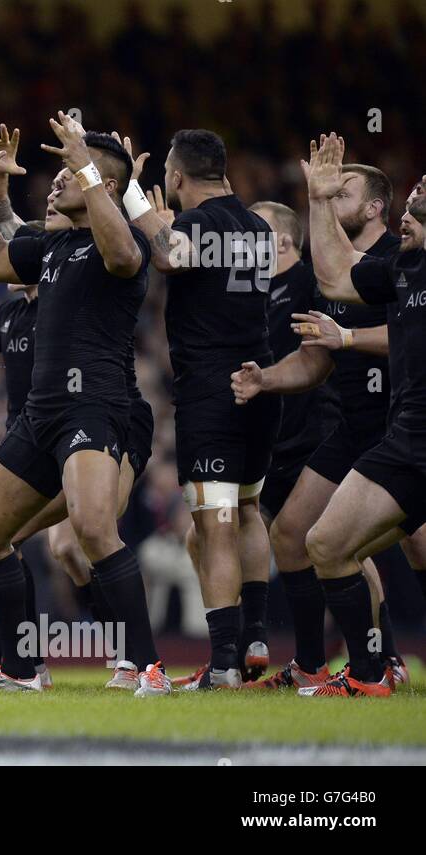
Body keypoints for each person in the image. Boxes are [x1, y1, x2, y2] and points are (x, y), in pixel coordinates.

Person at [0, 114, 166, 696]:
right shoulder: (54, 244)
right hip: (40, 414)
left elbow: (122, 256)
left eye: (67, 172)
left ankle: (147, 668)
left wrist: (89, 170)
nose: (55, 181)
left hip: (94, 405)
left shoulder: (124, 240)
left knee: (93, 531)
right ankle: (22, 673)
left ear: (104, 182)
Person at [128, 130, 281, 689]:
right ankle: (256, 635)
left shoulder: (194, 226)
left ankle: (222, 666)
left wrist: (136, 204)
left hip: (212, 392)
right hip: (260, 383)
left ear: (175, 177)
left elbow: (169, 256)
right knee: (247, 511)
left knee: (212, 525)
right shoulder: (260, 228)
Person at [294, 133, 425, 698]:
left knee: (328, 543)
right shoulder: (406, 267)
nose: (415, 194)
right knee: (325, 543)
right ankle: (371, 674)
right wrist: (320, 201)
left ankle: (373, 673)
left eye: (423, 194)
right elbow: (335, 276)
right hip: (409, 441)